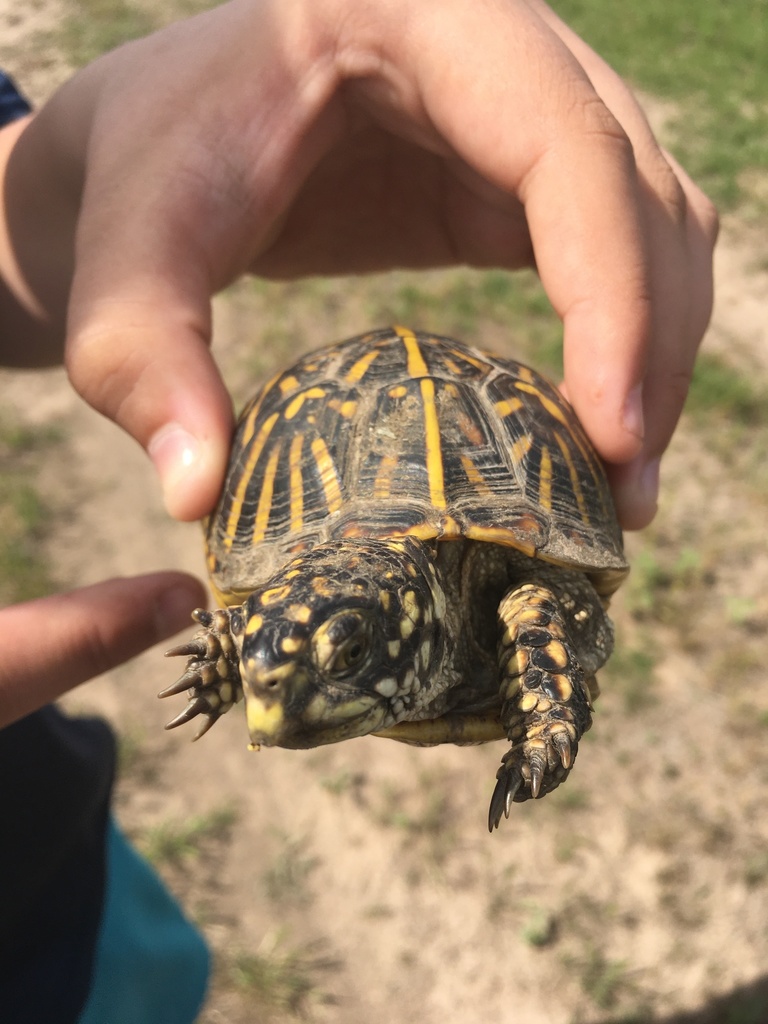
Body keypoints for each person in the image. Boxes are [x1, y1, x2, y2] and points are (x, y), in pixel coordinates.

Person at [0, 1, 718, 1020]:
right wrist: (240, 644)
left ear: (393, 630)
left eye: (331, 656)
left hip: (62, 903)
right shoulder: (288, 614)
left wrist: (64, 171)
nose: (274, 694)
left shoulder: (495, 592)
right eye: (275, 662)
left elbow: (534, 599)